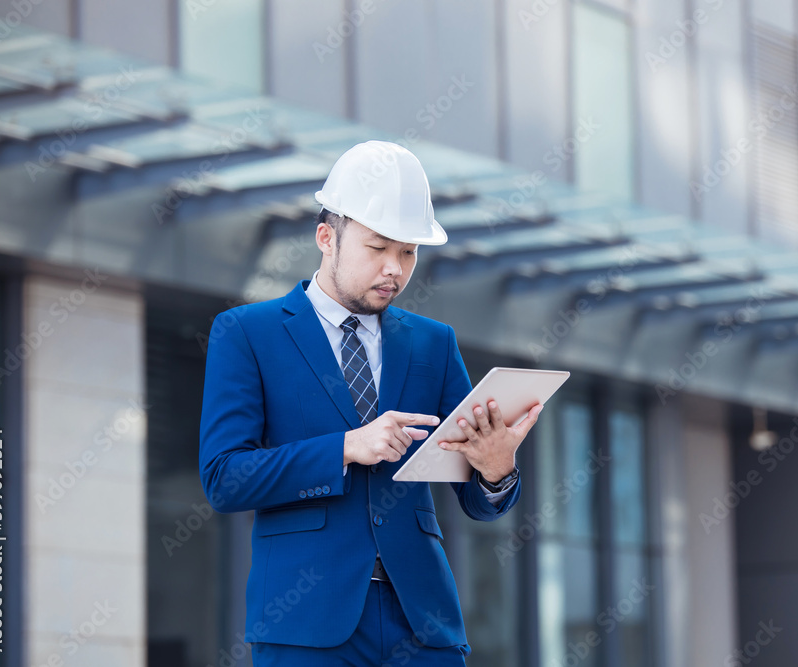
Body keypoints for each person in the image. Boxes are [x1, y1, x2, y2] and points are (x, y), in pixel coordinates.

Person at [199, 140, 542, 666]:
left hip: (422, 622)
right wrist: (345, 447)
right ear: (326, 238)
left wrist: (497, 470)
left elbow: (475, 499)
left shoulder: (434, 343)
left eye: (408, 252)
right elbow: (225, 478)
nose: (394, 270)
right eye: (377, 248)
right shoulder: (248, 333)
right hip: (306, 623)